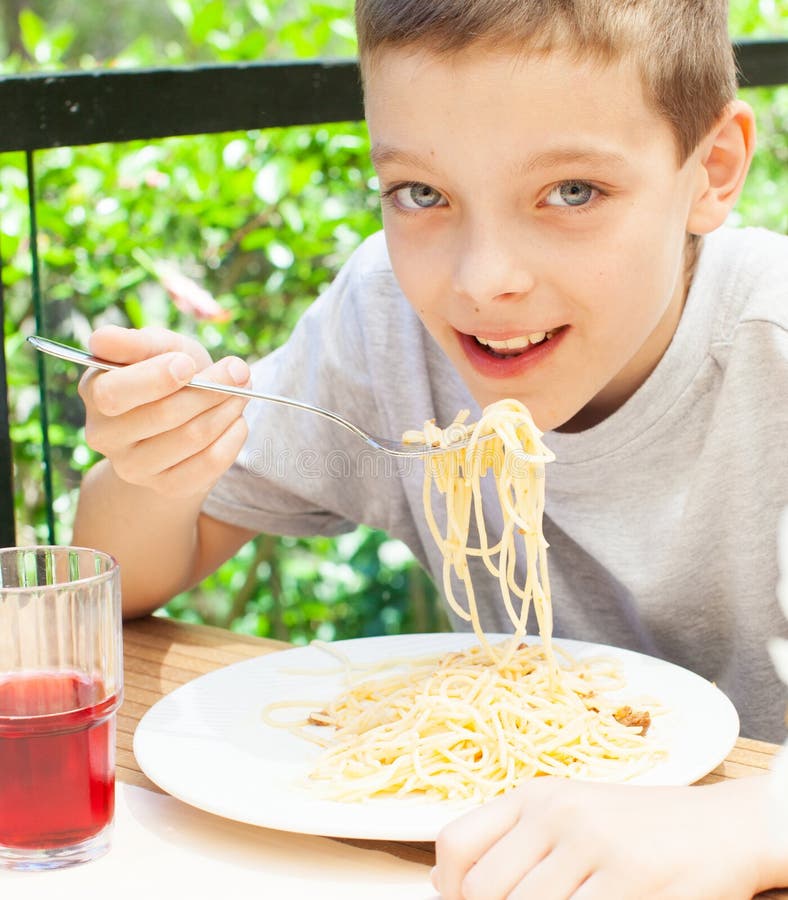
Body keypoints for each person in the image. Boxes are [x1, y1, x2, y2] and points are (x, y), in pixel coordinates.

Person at [73, 0, 788, 895]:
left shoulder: (774, 344)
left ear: (711, 170)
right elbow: (117, 580)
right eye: (423, 194)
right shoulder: (385, 324)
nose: (485, 282)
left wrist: (753, 820)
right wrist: (160, 463)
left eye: (572, 193)